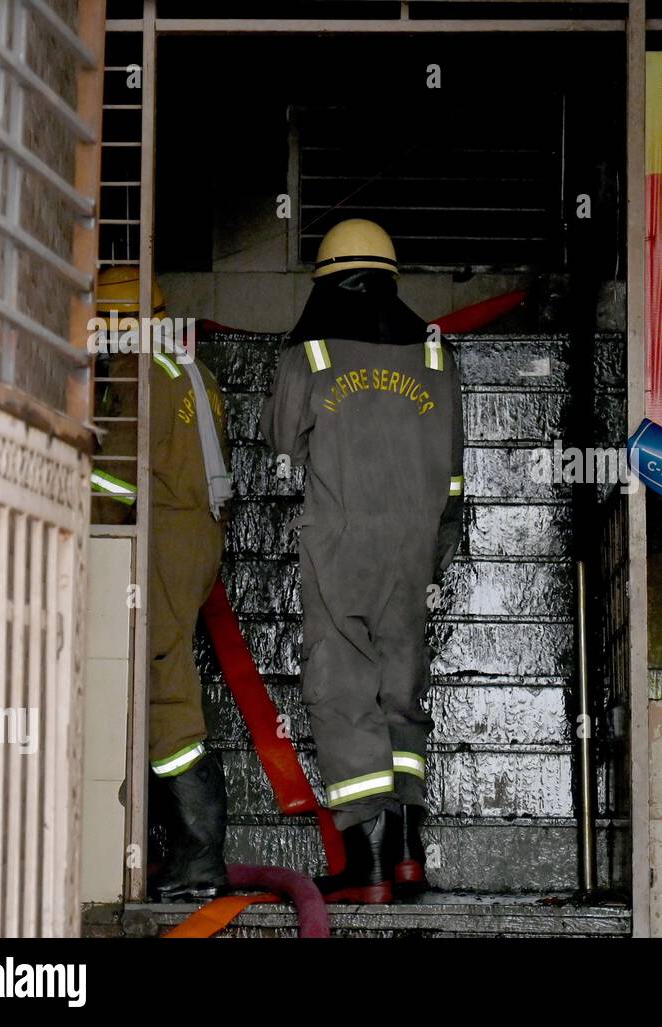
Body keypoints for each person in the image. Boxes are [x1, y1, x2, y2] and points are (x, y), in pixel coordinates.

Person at [261, 219, 463, 903]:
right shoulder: (437, 353)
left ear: (325, 280)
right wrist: (434, 548)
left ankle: (365, 860)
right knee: (402, 686)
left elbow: (281, 448)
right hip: (415, 544)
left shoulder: (310, 353)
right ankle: (407, 847)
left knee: (343, 687)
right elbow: (455, 477)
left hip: (338, 539)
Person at [91, 267, 233, 902]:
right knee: (164, 675)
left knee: (165, 691)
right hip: (197, 537)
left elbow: (115, 482)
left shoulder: (136, 370)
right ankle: (189, 856)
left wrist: (77, 539)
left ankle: (200, 857)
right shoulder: (189, 369)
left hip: (162, 540)